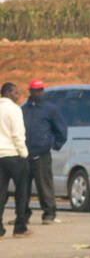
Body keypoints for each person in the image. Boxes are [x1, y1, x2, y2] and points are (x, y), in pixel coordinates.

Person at [21, 79, 67, 225]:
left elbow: (61, 130)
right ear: (30, 91)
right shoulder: (23, 109)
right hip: (24, 154)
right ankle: (22, 215)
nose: (38, 92)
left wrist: (54, 144)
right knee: (23, 187)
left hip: (42, 154)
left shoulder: (50, 109)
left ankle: (49, 213)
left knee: (44, 186)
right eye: (35, 90)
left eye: (41, 90)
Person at [0, 82, 31, 238]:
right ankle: (20, 226)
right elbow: (18, 134)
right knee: (22, 191)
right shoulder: (14, 110)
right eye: (15, 93)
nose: (18, 96)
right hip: (14, 154)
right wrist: (24, 153)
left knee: (1, 192)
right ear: (7, 92)